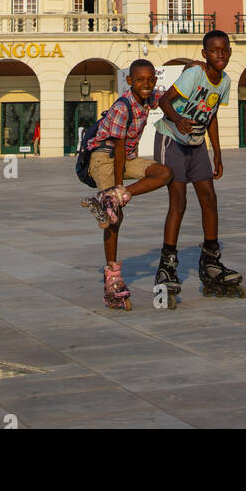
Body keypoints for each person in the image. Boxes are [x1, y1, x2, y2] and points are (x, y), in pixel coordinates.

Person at [152, 30, 246, 305]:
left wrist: (217, 152)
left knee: (209, 198)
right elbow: (163, 100)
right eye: (214, 50)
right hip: (171, 138)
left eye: (225, 50)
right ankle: (167, 263)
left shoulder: (226, 81)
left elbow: (212, 114)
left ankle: (211, 260)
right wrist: (179, 118)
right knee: (178, 201)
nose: (221, 54)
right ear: (204, 55)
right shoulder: (194, 74)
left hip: (196, 143)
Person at [79, 58, 173, 309]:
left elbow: (168, 96)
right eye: (140, 80)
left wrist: (193, 73)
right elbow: (118, 148)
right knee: (115, 216)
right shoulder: (122, 107)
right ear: (130, 81)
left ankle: (109, 200)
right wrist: (119, 188)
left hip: (126, 157)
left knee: (164, 173)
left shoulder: (148, 97)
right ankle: (112, 277)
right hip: (104, 158)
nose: (146, 84)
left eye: (151, 79)